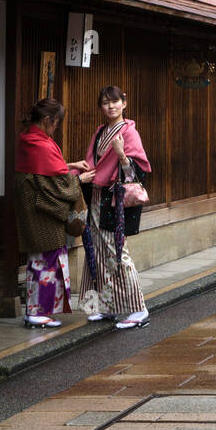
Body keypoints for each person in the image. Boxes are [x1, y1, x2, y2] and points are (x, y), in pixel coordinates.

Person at [77, 86, 153, 329]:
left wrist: (121, 154)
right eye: (105, 103)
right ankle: (106, 307)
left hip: (113, 200)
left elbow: (137, 172)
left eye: (114, 102)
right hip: (96, 198)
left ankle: (138, 308)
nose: (110, 106)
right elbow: (91, 163)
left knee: (117, 252)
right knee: (96, 251)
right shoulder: (100, 132)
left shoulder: (130, 132)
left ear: (124, 103)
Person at [13, 98, 83, 329]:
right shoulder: (40, 145)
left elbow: (48, 171)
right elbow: (59, 182)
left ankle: (38, 310)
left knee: (41, 259)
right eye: (56, 123)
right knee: (46, 260)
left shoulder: (30, 140)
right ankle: (36, 311)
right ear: (46, 120)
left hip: (34, 208)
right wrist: (79, 179)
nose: (56, 127)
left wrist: (71, 166)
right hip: (41, 212)